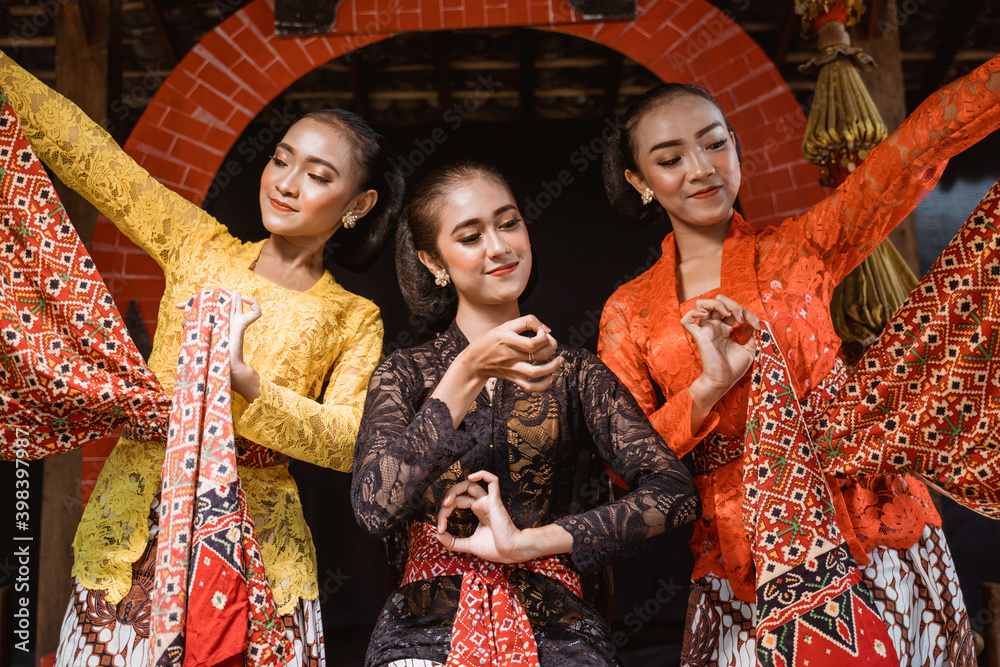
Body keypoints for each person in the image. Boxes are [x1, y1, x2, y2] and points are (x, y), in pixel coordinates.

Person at [0, 51, 403, 666]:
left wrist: (248, 386)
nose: (287, 184)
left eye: (319, 176)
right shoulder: (199, 245)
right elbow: (93, 156)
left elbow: (350, 441)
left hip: (257, 553)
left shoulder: (352, 316)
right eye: (280, 160)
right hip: (134, 531)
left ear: (359, 204)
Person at [598, 55, 1000, 666]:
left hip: (867, 516)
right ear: (639, 181)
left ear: (736, 146)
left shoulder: (800, 245)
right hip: (743, 556)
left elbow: (918, 148)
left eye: (714, 144)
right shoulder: (629, 311)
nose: (701, 169)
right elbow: (624, 466)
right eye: (671, 158)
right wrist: (706, 389)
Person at [351, 161, 700, 667]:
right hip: (423, 628)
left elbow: (674, 494)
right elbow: (372, 508)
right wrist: (467, 371)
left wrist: (527, 544)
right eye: (471, 236)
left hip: (559, 624)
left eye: (508, 222)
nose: (499, 246)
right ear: (433, 261)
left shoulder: (576, 373)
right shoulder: (403, 374)